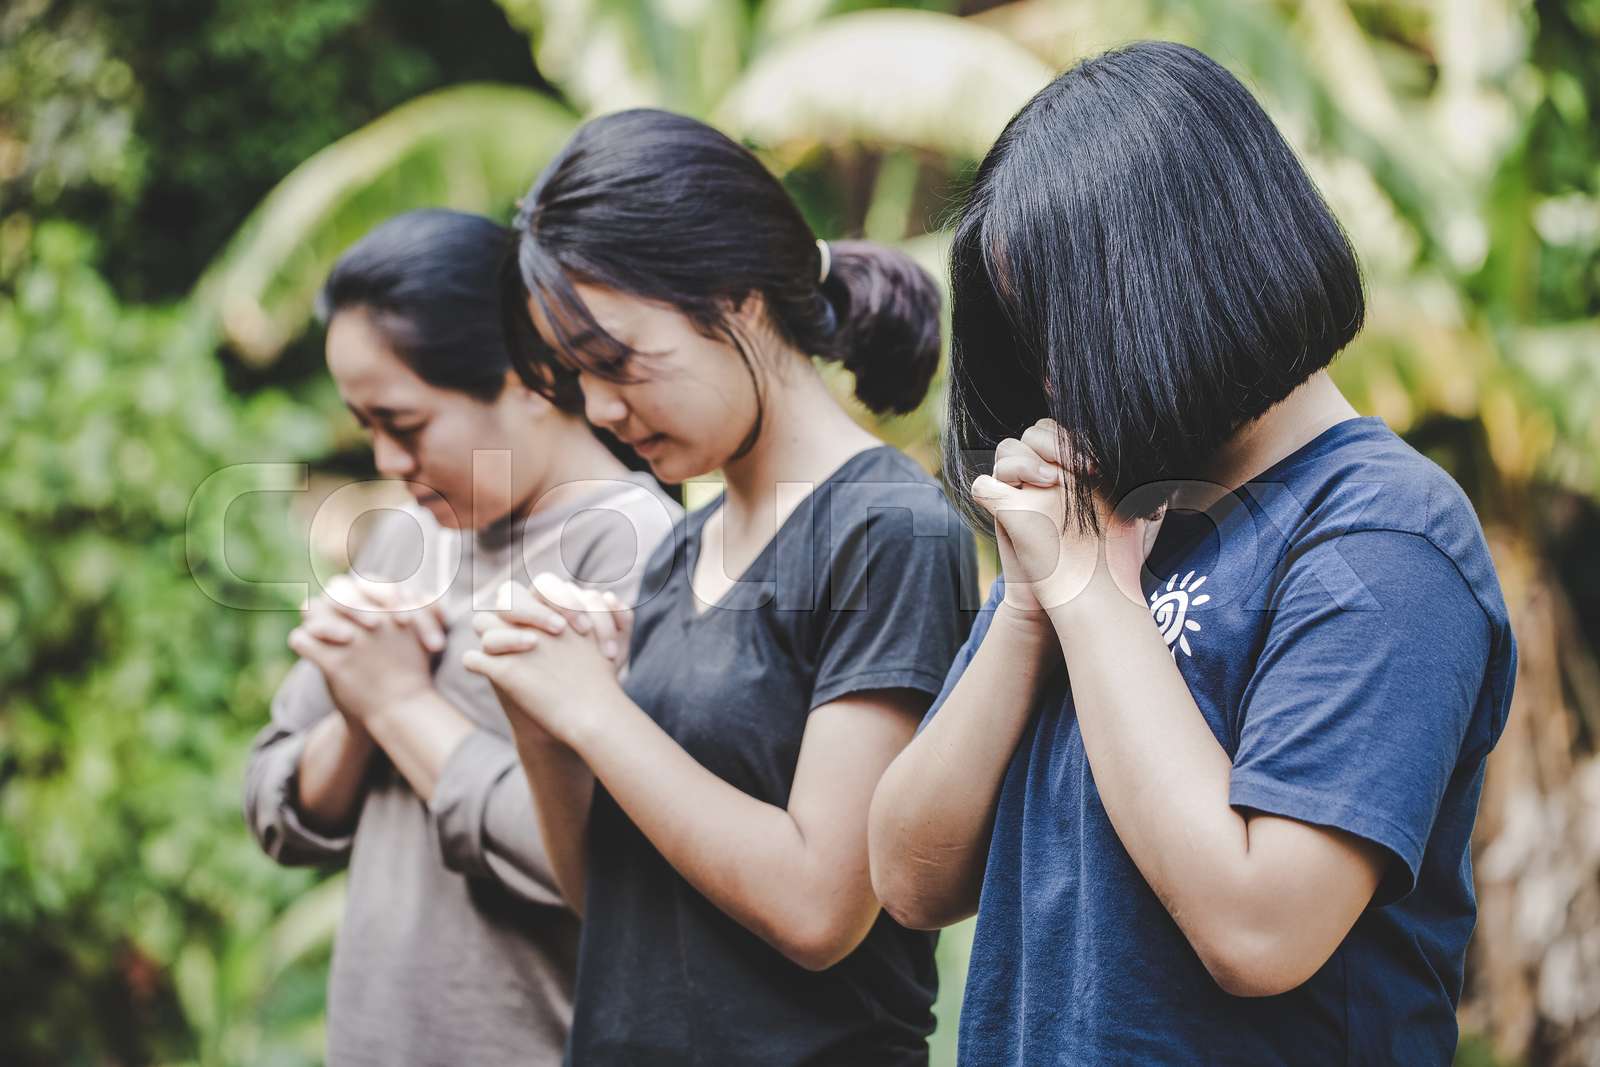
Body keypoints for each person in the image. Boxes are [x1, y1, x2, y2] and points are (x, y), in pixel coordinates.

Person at [868, 42, 1517, 1066]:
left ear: (1178, 278)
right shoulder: (1103, 516)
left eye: (1059, 323)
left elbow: (1261, 927)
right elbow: (909, 873)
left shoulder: (1382, 538)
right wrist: (1036, 604)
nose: (1048, 370)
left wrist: (1092, 594)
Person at [461, 109, 978, 1066]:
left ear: (738, 300)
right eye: (579, 381)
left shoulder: (887, 528)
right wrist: (542, 720)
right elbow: (612, 901)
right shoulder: (677, 550)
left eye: (616, 363)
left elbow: (823, 905)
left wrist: (597, 714)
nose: (605, 411)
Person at [242, 209, 679, 1066]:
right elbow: (275, 804)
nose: (387, 461)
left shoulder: (637, 550)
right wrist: (358, 719)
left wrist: (397, 702)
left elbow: (608, 873)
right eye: (365, 425)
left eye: (403, 425)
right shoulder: (411, 533)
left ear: (529, 374)